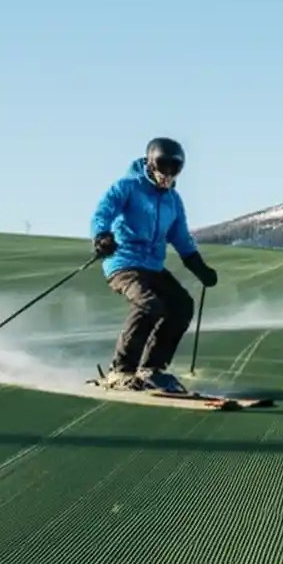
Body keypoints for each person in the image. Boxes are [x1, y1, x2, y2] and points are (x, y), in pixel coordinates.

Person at [90, 137, 218, 393]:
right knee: (149, 305)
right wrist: (101, 236)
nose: (167, 173)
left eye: (175, 167)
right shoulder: (128, 187)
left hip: (152, 266)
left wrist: (198, 265)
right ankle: (121, 370)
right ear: (150, 163)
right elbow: (102, 212)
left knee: (181, 305)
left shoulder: (173, 200)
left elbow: (180, 236)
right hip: (123, 262)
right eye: (162, 165)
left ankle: (152, 369)